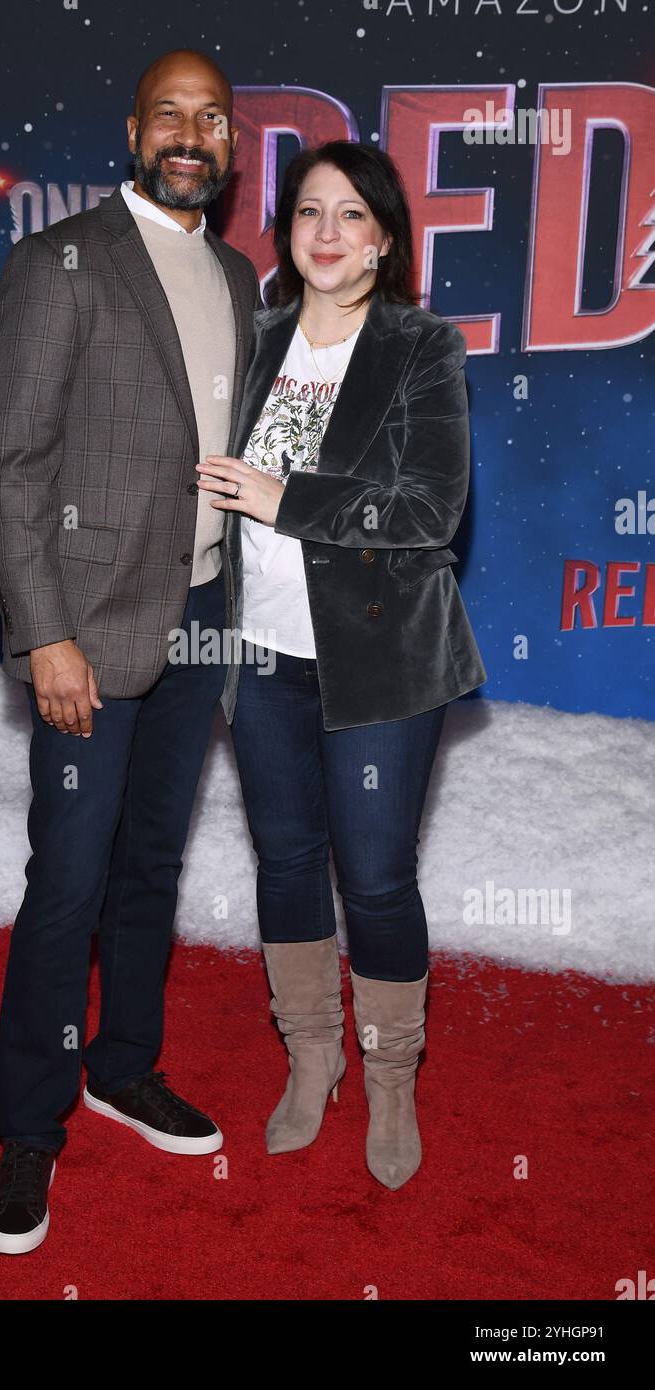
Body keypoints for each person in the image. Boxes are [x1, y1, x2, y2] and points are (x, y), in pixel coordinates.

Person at [0, 49, 262, 1254]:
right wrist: (45, 634)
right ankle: (29, 1128)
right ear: (134, 130)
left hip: (200, 619)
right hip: (88, 638)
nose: (189, 136)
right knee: (69, 885)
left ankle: (122, 1066)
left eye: (211, 119)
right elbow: (12, 463)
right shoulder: (63, 262)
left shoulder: (242, 277)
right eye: (169, 116)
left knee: (151, 866)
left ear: (233, 146)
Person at [198, 141, 488, 1191]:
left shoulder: (421, 346)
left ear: (384, 238)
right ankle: (310, 1052)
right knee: (284, 861)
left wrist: (289, 499)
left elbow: (429, 511)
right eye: (309, 212)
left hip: (379, 663)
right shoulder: (256, 338)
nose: (327, 233)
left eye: (351, 215)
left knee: (372, 879)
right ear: (285, 232)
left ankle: (391, 1071)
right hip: (261, 655)